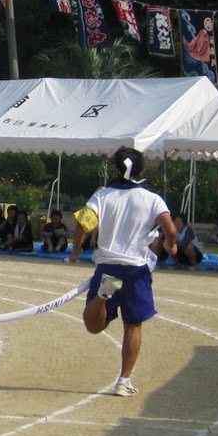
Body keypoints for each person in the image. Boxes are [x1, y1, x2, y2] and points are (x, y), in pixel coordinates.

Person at [72, 147, 178, 397]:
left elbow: (81, 222)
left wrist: (76, 249)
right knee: (133, 325)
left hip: (107, 265)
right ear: (141, 170)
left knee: (94, 326)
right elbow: (171, 230)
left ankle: (103, 295)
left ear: (116, 169)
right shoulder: (152, 199)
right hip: (135, 270)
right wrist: (169, 244)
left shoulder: (102, 195)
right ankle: (124, 380)